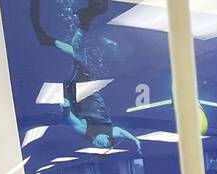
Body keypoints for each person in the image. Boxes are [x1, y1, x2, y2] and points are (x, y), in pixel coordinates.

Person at [31, 1, 142, 153]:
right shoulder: (111, 134)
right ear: (109, 142)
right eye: (103, 145)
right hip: (92, 91)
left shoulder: (86, 132)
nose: (98, 144)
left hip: (78, 93)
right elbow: (122, 132)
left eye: (96, 146)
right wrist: (135, 140)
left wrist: (66, 108)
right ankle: (50, 39)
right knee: (81, 59)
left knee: (79, 58)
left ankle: (78, 24)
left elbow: (70, 118)